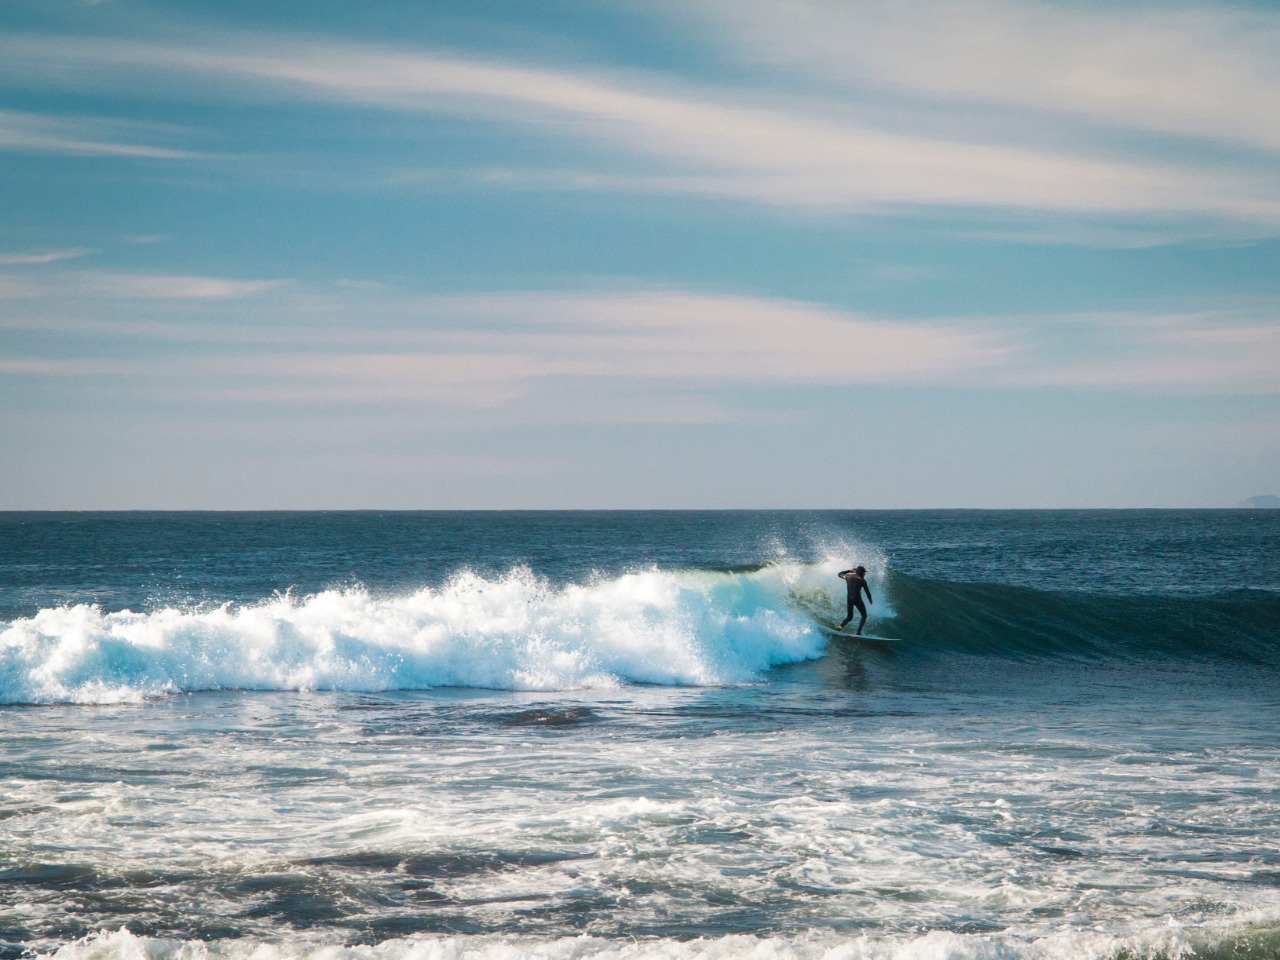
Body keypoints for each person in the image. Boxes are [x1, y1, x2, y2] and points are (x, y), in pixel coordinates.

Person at [837, 565, 873, 634]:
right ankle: (858, 632)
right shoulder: (863, 581)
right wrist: (870, 600)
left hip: (849, 599)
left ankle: (840, 627)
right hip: (857, 600)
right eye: (864, 573)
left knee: (849, 617)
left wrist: (849, 571)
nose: (865, 574)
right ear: (861, 573)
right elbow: (867, 592)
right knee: (864, 615)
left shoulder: (848, 577)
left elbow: (839, 574)